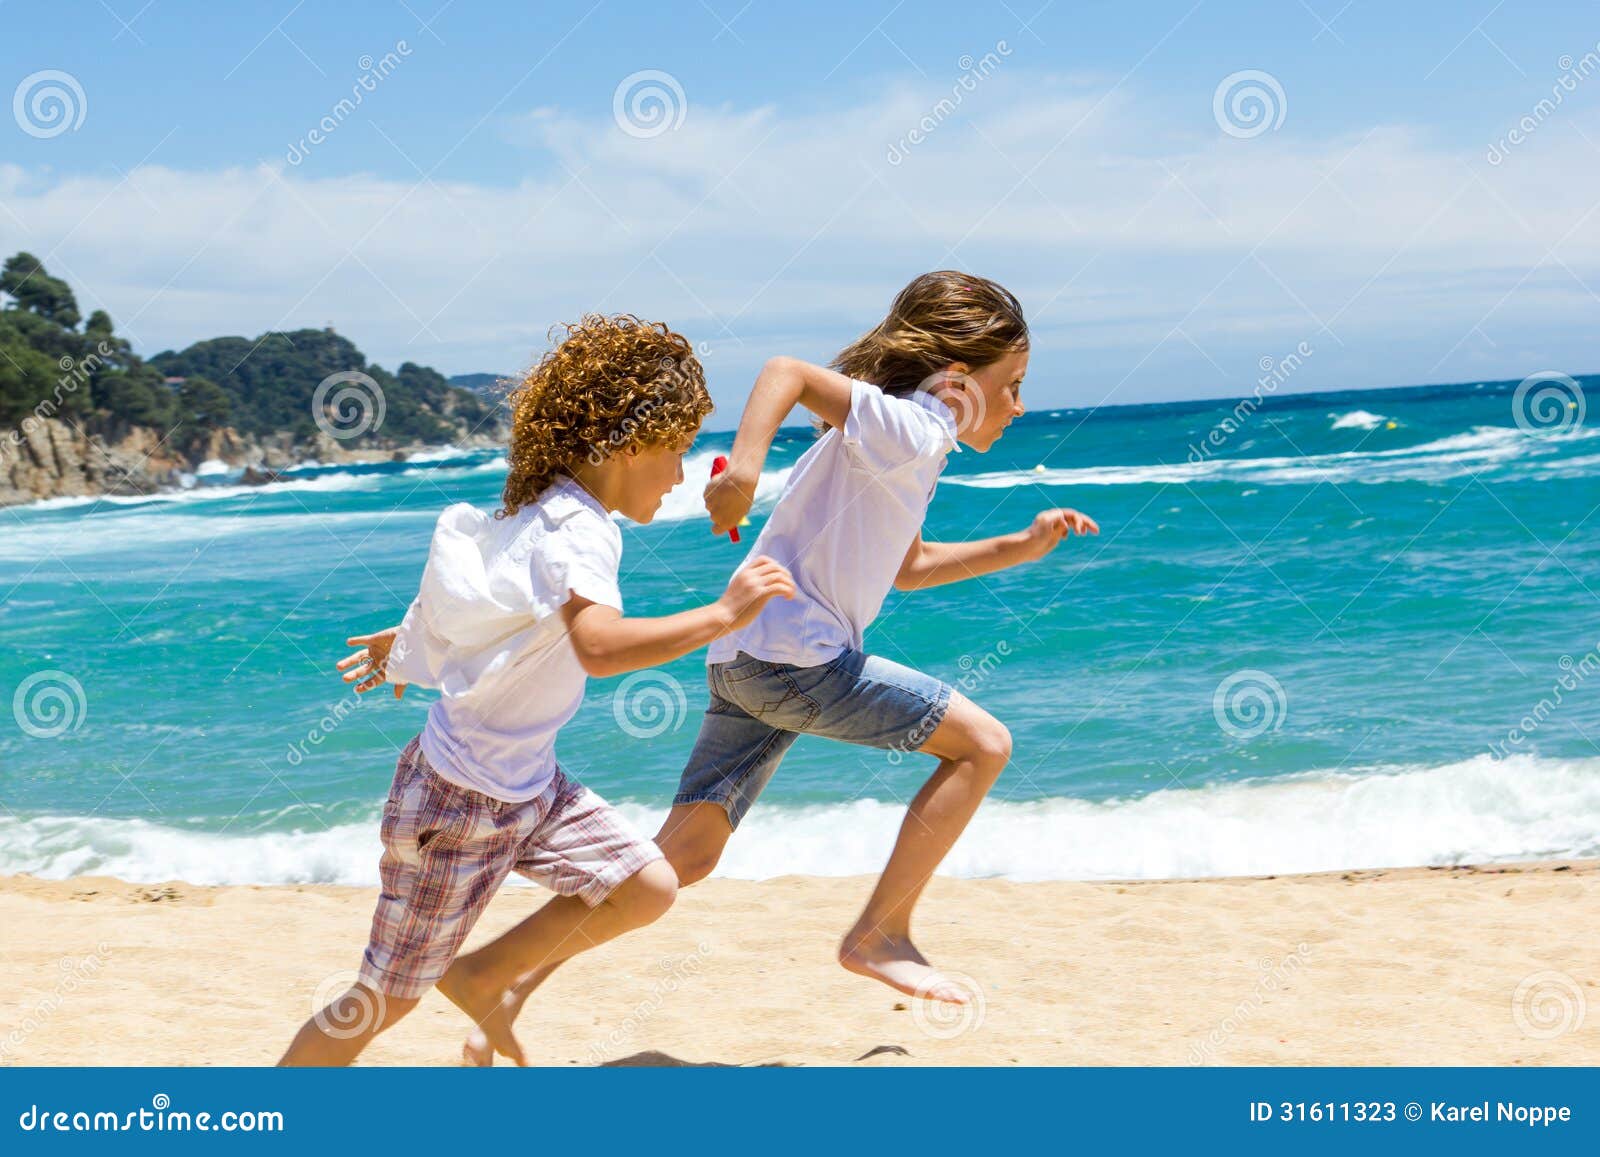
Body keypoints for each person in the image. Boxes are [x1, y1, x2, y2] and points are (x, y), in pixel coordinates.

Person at [279, 315, 794, 1066]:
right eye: (677, 450)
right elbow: (599, 646)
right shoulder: (582, 530)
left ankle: (483, 973)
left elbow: (480, 598)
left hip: (531, 789)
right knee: (382, 999)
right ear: (628, 444)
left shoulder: (541, 509)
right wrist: (724, 613)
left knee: (646, 884)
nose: (681, 475)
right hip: (456, 807)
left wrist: (406, 644)